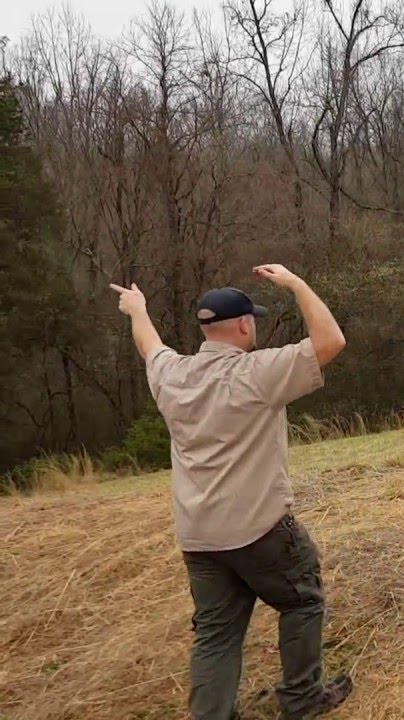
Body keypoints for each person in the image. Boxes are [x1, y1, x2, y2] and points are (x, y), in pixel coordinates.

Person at [110, 265, 351, 720]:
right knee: (302, 600)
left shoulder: (172, 377)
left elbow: (150, 346)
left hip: (200, 539)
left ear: (205, 329)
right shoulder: (257, 373)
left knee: (215, 635)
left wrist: (137, 309)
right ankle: (301, 699)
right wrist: (298, 284)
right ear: (244, 325)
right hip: (260, 530)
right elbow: (331, 341)